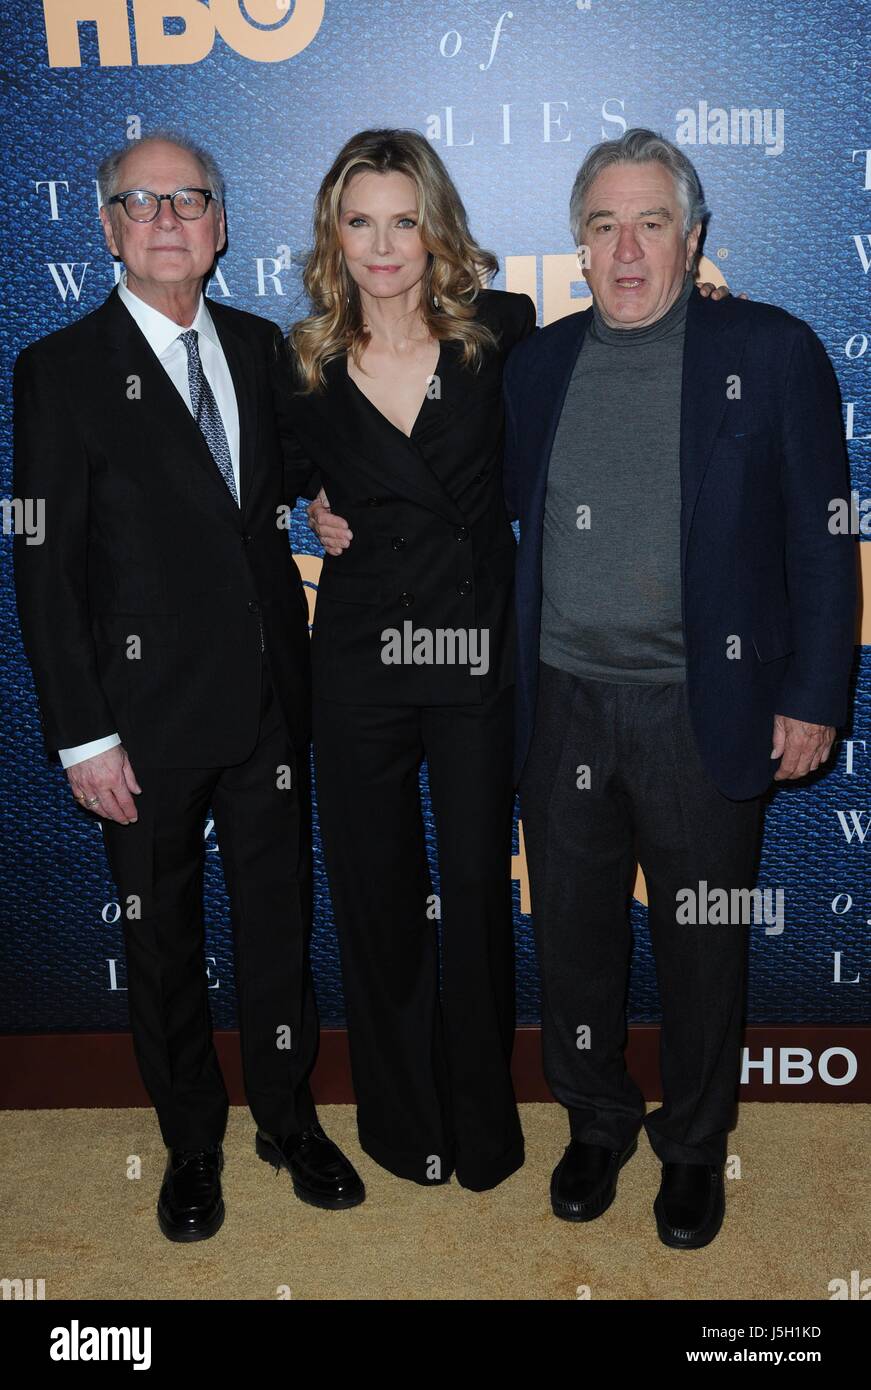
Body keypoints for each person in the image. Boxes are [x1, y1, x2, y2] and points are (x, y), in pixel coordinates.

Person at [503, 128, 856, 1248]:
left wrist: (812, 696)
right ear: (579, 242)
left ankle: (694, 1145)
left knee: (704, 944)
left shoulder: (774, 349)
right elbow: (470, 513)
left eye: (650, 221)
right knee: (571, 935)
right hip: (562, 698)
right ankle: (597, 1121)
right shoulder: (537, 365)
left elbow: (820, 538)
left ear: (693, 234)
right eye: (602, 224)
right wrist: (339, 516)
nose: (625, 248)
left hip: (707, 703)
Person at [13, 131, 363, 1243]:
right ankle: (191, 1141)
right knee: (160, 942)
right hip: (138, 724)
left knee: (276, 928)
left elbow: (299, 477)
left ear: (219, 228)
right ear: (109, 227)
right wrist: (82, 739)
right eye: (142, 201)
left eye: (190, 200)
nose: (168, 218)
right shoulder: (59, 371)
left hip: (267, 704)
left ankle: (285, 1116)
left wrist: (323, 507)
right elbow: (45, 570)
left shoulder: (265, 349)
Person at [279, 128, 537, 1191]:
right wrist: (316, 505)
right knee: (378, 895)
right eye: (360, 221)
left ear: (434, 229)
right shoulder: (302, 364)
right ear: (335, 237)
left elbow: (603, 377)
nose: (383, 246)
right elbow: (279, 481)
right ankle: (401, 1122)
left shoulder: (503, 335)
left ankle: (482, 1129)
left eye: (402, 219)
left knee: (475, 891)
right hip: (358, 664)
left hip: (473, 655)